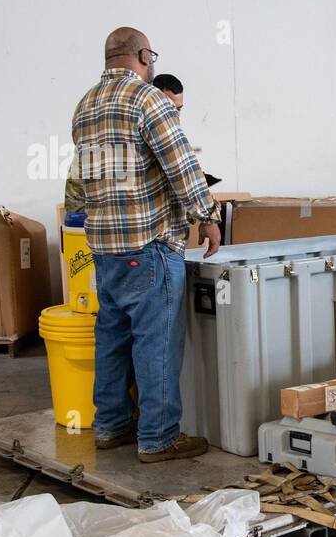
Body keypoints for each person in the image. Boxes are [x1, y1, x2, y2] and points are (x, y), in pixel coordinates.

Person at [64, 27, 221, 464]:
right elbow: (181, 163)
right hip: (147, 244)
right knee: (156, 341)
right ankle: (159, 438)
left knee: (111, 337)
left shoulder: (85, 105)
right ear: (144, 55)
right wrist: (207, 216)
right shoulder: (148, 98)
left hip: (105, 246)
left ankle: (111, 426)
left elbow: (78, 180)